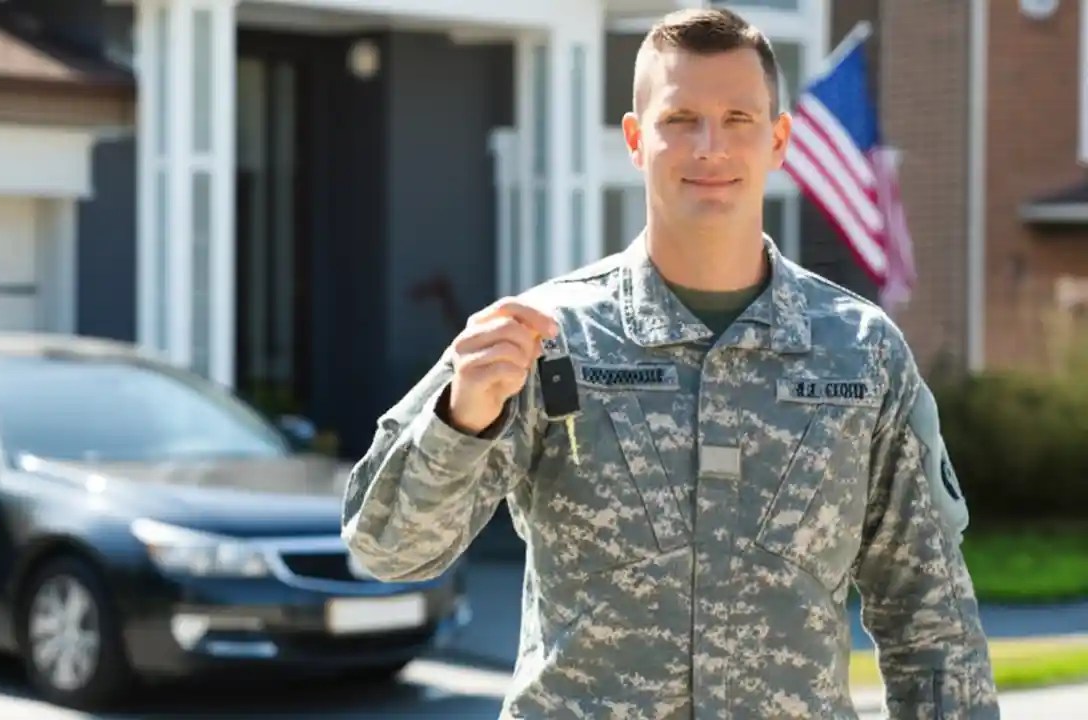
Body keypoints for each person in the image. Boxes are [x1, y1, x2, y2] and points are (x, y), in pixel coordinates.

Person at [341, 7, 998, 719]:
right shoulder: (542, 337)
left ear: (779, 141)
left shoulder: (861, 353)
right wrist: (460, 422)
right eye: (680, 118)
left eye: (739, 118)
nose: (710, 147)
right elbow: (387, 552)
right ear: (635, 138)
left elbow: (932, 621)